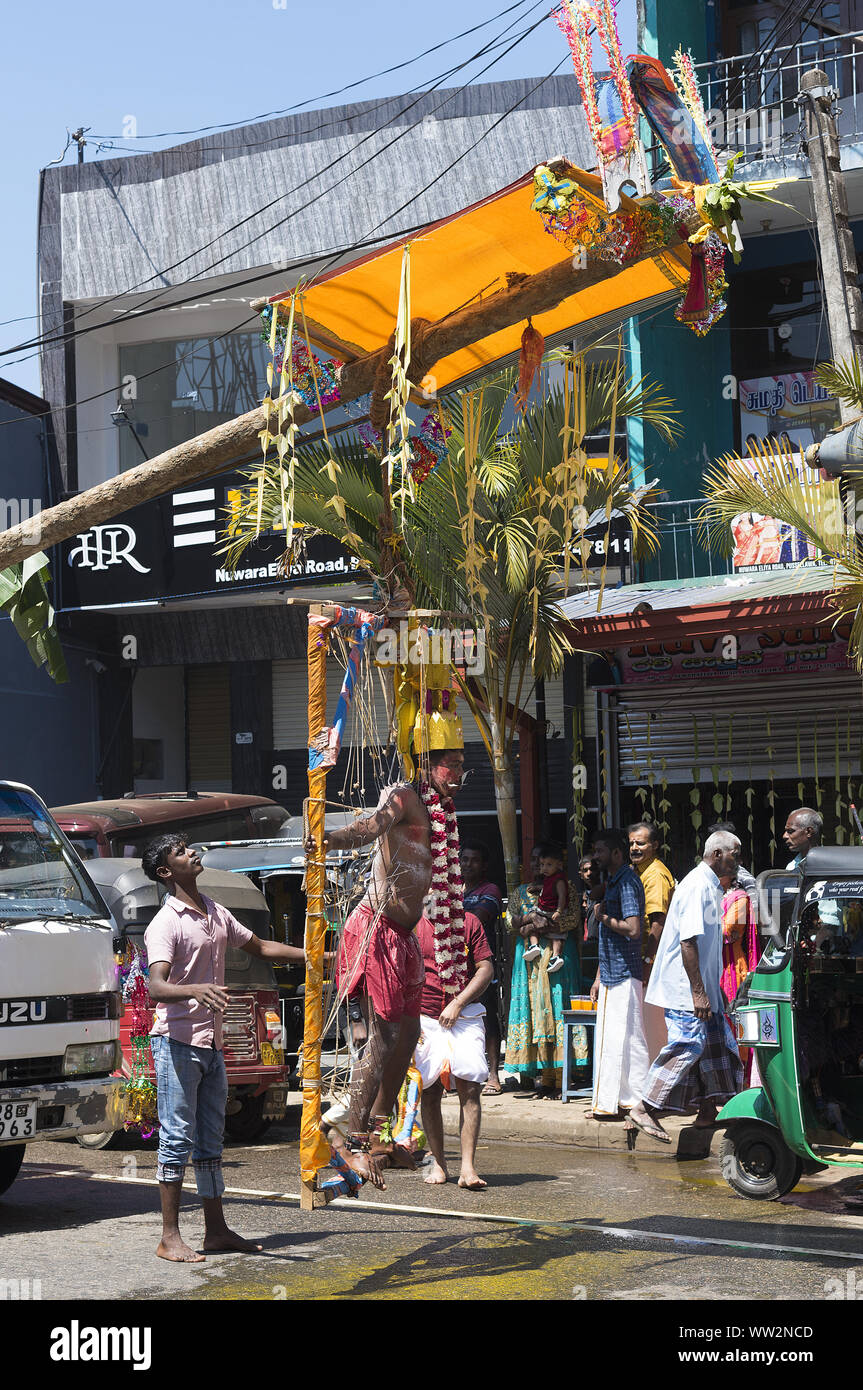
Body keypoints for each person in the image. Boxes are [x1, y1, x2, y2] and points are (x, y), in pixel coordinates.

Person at [313, 742, 467, 1189]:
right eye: (450, 765)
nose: (457, 773)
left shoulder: (441, 808)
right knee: (384, 1037)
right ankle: (348, 1138)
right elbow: (369, 826)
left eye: (462, 766)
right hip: (376, 927)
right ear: (426, 764)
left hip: (404, 935)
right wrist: (331, 838)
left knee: (408, 1038)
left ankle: (378, 1136)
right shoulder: (402, 796)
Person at [143, 834, 303, 1264]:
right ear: (165, 872)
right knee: (177, 1139)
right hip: (177, 1043)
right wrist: (196, 989)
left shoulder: (214, 911)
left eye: (190, 847)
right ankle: (169, 1237)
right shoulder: (166, 923)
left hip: (212, 1045)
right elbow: (156, 986)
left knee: (212, 1140)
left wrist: (317, 955)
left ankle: (216, 1231)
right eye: (180, 852)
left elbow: (262, 947)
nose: (193, 852)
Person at [628, 832, 744, 1144]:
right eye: (736, 853)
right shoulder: (696, 886)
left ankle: (708, 1109)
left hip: (703, 986)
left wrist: (711, 988)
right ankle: (644, 1106)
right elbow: (688, 942)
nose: (739, 860)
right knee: (689, 1044)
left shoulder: (711, 885)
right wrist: (698, 992)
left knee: (715, 1044)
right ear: (718, 854)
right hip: (684, 989)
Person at [415, 909, 493, 1190]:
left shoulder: (469, 921)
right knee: (430, 1089)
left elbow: (486, 968)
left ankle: (468, 1167)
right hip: (424, 1015)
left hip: (466, 1012)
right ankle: (438, 1163)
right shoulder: (412, 922)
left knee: (470, 1086)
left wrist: (459, 1002)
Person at [507, 844, 587, 1097]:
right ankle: (541, 1078)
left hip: (556, 958)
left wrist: (540, 927)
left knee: (556, 1007)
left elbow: (573, 917)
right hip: (529, 961)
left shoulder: (567, 886)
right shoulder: (520, 892)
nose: (538, 866)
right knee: (533, 1012)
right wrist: (529, 921)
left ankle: (560, 1077)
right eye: (534, 861)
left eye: (544, 861)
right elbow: (510, 920)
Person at [589, 828, 650, 1118]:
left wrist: (604, 918)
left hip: (625, 971)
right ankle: (616, 1103)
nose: (595, 857)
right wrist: (599, 977)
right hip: (613, 971)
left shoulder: (627, 882)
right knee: (614, 1040)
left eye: (600, 851)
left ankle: (634, 1101)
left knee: (628, 1040)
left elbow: (633, 929)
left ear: (616, 853)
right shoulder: (615, 880)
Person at [460, 841, 505, 1096]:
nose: (468, 864)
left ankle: (493, 1074)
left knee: (488, 1018)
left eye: (474, 860)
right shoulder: (451, 888)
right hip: (451, 965)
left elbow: (478, 916)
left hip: (480, 965)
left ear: (484, 865)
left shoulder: (491, 890)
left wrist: (450, 912)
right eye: (464, 859)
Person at [628, 822, 675, 1061]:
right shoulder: (636, 871)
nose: (635, 848)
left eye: (641, 843)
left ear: (655, 845)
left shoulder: (655, 874)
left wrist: (647, 960)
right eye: (632, 843)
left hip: (654, 961)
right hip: (641, 959)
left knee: (655, 1030)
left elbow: (659, 921)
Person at [783, 807, 841, 930]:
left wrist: (820, 942)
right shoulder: (792, 866)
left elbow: (830, 918)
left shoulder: (827, 866)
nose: (784, 836)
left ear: (809, 832)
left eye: (790, 831)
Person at [523, 844, 569, 974]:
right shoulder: (548, 880)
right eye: (540, 863)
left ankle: (555, 956)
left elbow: (562, 898)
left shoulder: (561, 881)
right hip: (547, 910)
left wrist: (559, 911)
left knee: (558, 934)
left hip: (551, 912)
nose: (542, 867)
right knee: (533, 922)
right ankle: (535, 946)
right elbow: (510, 923)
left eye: (548, 864)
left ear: (559, 865)